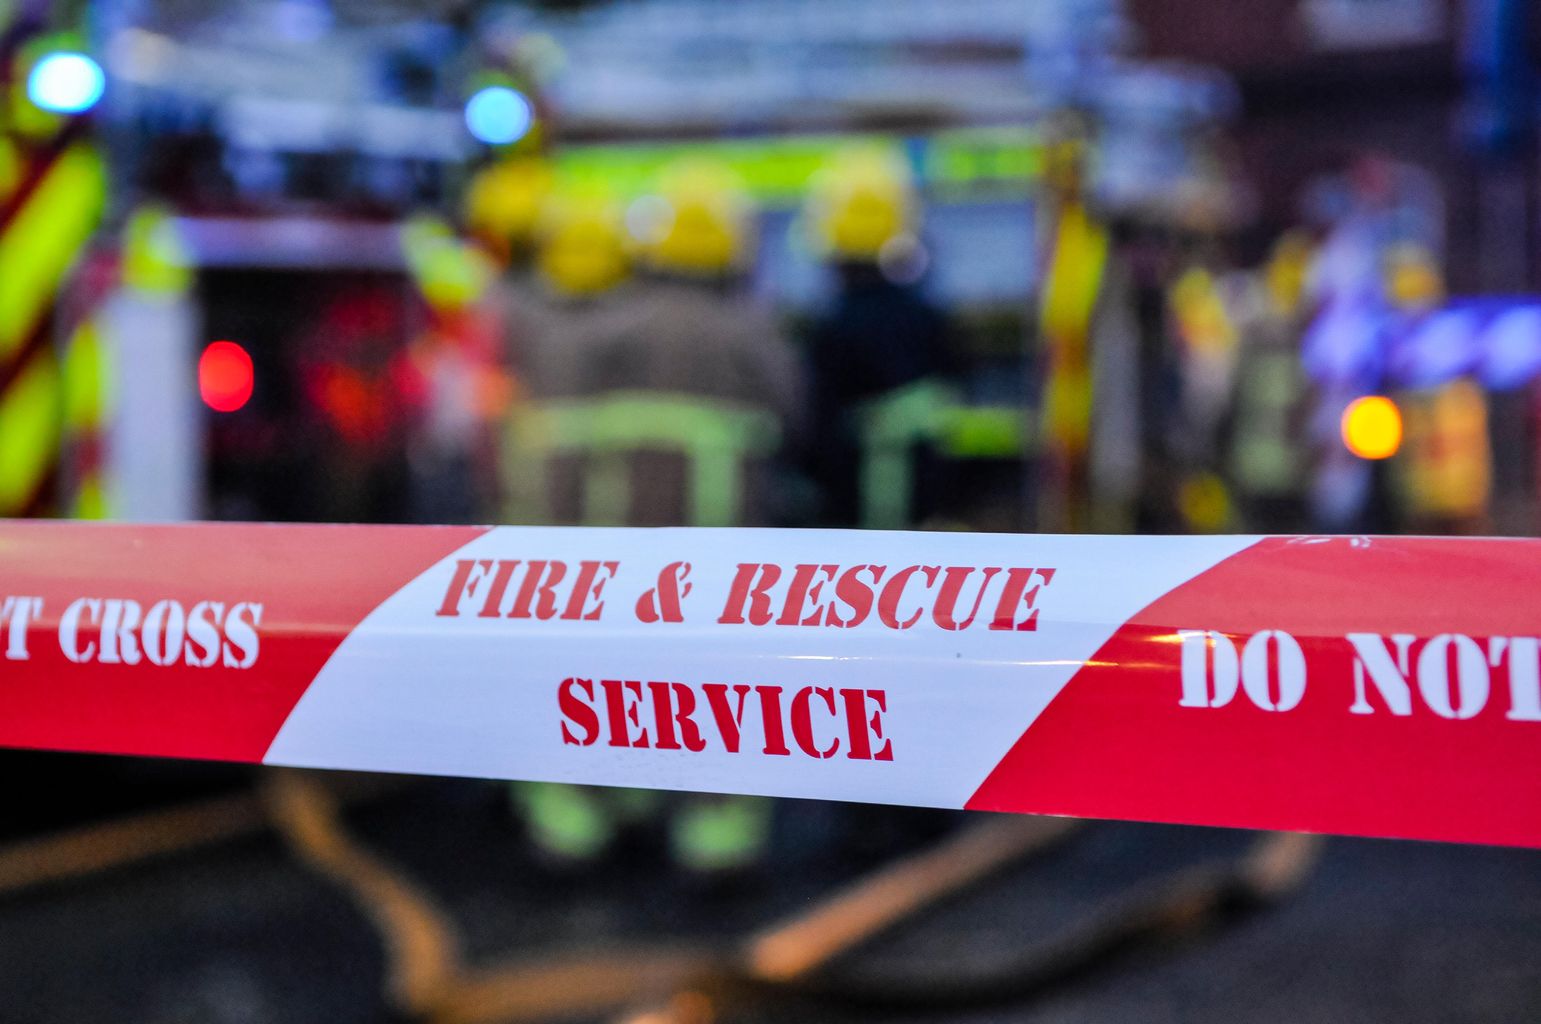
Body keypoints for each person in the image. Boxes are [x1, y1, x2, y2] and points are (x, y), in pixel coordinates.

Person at [801, 144, 954, 528]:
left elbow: (812, 432)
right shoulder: (926, 318)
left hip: (848, 530)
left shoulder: (833, 328)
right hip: (922, 524)